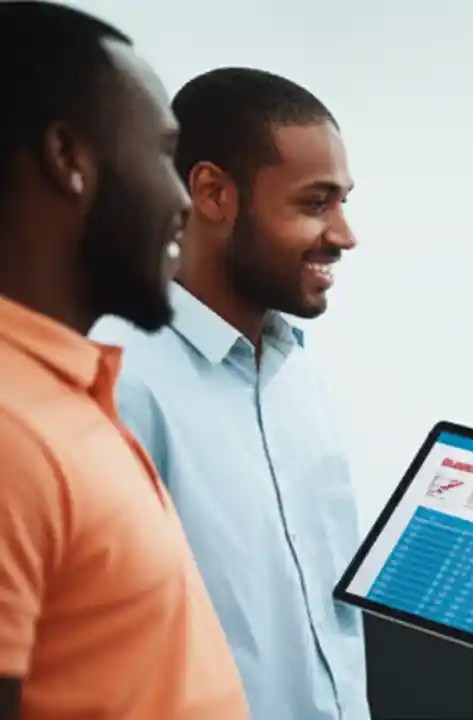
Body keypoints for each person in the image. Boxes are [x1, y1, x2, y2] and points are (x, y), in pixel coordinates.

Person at [90, 68, 365, 719]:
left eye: (344, 201)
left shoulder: (298, 369)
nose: (345, 233)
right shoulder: (120, 381)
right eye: (315, 203)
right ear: (213, 193)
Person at [0, 4, 249, 720]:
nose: (183, 200)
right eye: (161, 156)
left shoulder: (65, 395)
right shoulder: (11, 430)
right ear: (69, 159)